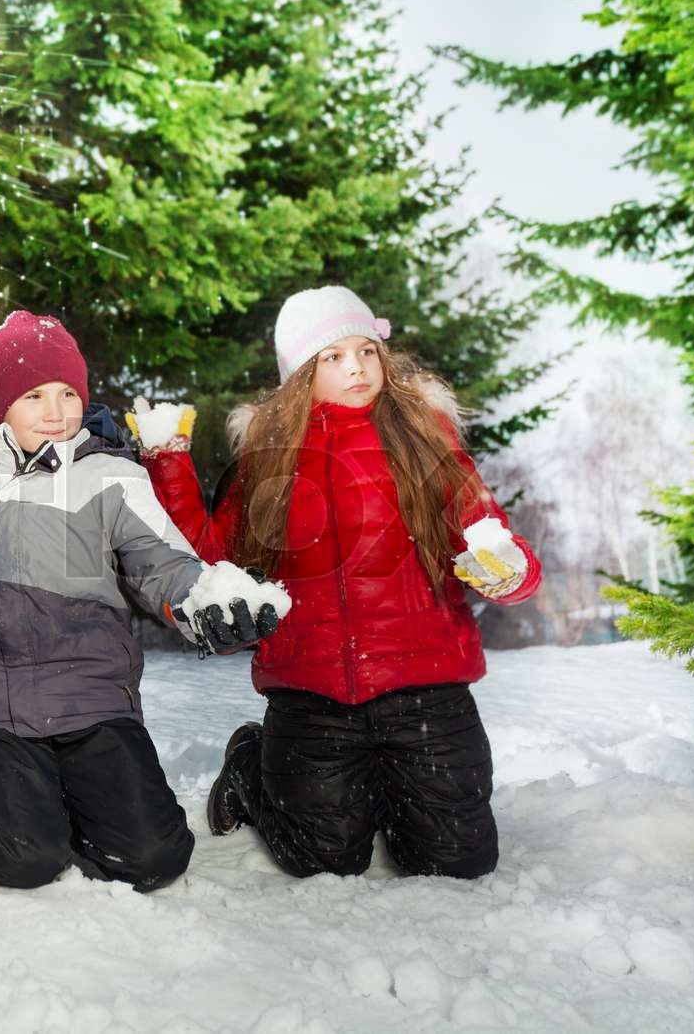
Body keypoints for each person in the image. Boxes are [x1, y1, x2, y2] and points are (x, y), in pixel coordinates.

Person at [0, 310, 284, 891]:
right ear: (1, 407)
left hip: (93, 700)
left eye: (68, 393)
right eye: (35, 394)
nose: (56, 410)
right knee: (26, 858)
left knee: (152, 858)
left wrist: (201, 602)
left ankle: (59, 793)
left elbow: (163, 562)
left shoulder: (110, 478)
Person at [135, 285, 540, 879]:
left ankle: (380, 783)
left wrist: (511, 572)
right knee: (320, 860)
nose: (356, 367)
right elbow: (214, 557)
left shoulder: (427, 436)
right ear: (300, 374)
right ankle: (251, 764)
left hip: (425, 684)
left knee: (457, 861)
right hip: (312, 690)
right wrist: (168, 461)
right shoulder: (268, 455)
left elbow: (486, 532)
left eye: (366, 351)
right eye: (332, 356)